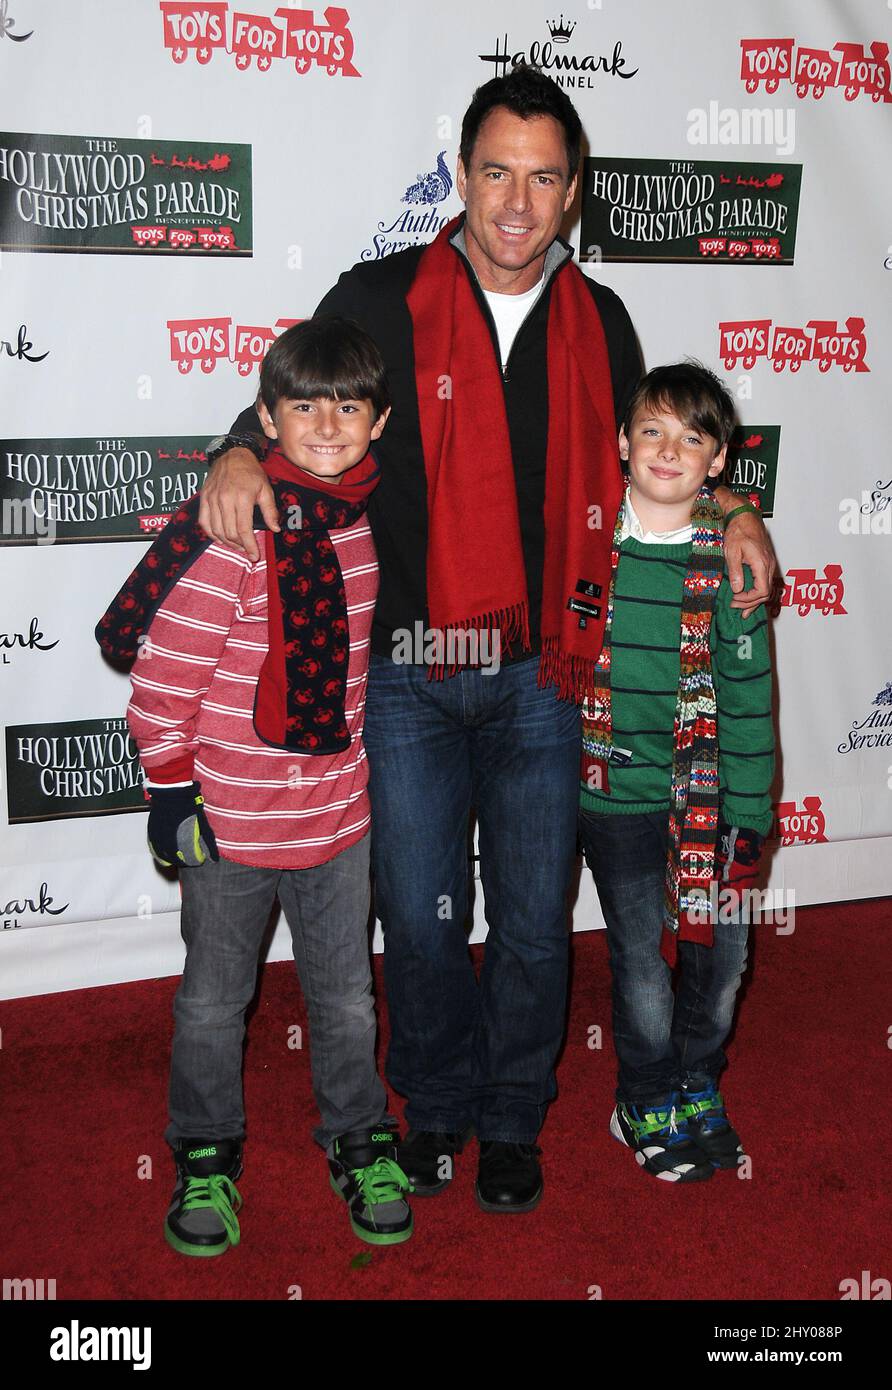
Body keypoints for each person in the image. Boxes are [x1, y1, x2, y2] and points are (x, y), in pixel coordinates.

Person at [195, 67, 776, 1213]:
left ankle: (512, 1115)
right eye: (496, 171)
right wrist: (229, 451)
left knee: (527, 919)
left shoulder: (601, 320)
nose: (517, 200)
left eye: (544, 177)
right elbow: (296, 401)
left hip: (542, 676)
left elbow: (665, 452)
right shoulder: (378, 293)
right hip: (410, 671)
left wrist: (740, 505)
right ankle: (437, 1108)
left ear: (572, 194)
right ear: (460, 175)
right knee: (415, 915)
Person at [96, 317, 415, 1254]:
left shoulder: (363, 526)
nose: (326, 423)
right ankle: (203, 1149)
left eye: (348, 406)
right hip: (230, 824)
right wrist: (168, 794)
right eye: (303, 405)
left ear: (380, 420)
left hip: (336, 819)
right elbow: (162, 676)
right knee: (210, 1000)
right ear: (264, 419)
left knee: (349, 996)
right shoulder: (237, 534)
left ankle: (357, 1136)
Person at [577, 362, 775, 1182]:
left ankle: (697, 1083)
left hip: (711, 797)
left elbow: (750, 693)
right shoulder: (588, 543)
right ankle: (645, 1096)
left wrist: (753, 814)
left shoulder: (734, 561)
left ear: (719, 460)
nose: (668, 450)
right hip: (616, 797)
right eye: (651, 431)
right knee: (639, 963)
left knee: (722, 963)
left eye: (693, 437)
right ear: (622, 442)